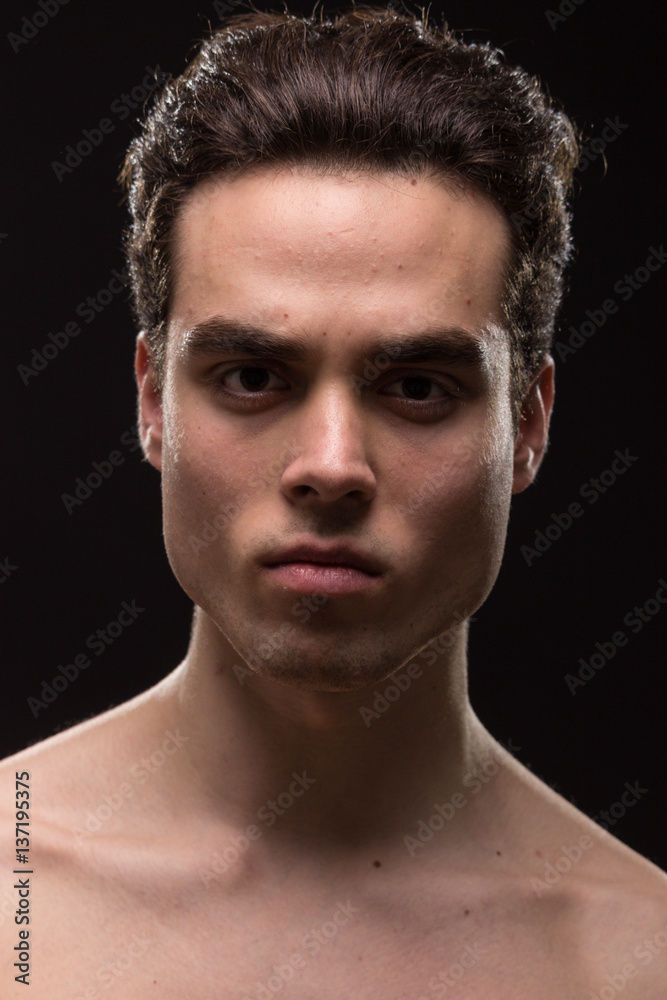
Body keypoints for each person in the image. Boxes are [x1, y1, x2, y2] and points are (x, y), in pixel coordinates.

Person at [2, 5, 665, 996]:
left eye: (415, 388)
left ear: (527, 423)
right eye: (252, 377)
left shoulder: (635, 956)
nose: (330, 465)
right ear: (151, 400)